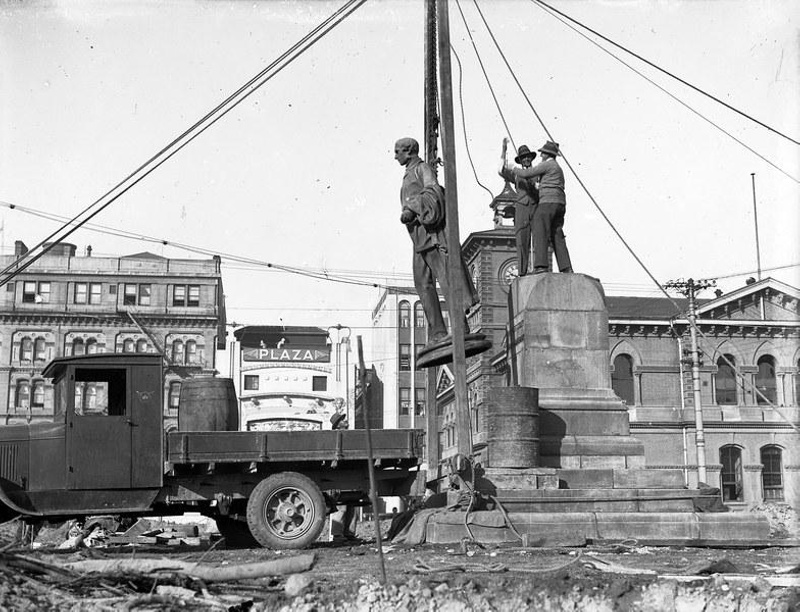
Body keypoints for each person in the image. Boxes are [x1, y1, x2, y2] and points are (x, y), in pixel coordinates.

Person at [394, 137, 478, 344]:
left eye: (398, 151)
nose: (395, 156)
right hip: (418, 237)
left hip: (431, 234)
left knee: (445, 278)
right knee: (422, 283)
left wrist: (411, 208)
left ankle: (460, 326)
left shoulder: (422, 169)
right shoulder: (409, 173)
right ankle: (438, 332)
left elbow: (433, 191)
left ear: (409, 151)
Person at [506, 140, 573, 274]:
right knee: (556, 233)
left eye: (543, 153)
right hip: (560, 203)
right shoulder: (558, 169)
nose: (541, 155)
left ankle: (541, 266)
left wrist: (513, 167)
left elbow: (525, 174)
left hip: (548, 202)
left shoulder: (547, 164)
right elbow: (550, 184)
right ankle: (566, 267)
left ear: (548, 154)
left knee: (539, 226)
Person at [498, 141, 539, 275]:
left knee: (539, 238)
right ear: (520, 161)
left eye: (528, 157)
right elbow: (501, 170)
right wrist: (504, 151)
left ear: (531, 159)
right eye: (523, 158)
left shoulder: (538, 172)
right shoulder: (517, 174)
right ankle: (522, 272)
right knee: (522, 239)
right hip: (522, 208)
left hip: (536, 207)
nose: (526, 159)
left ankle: (539, 268)